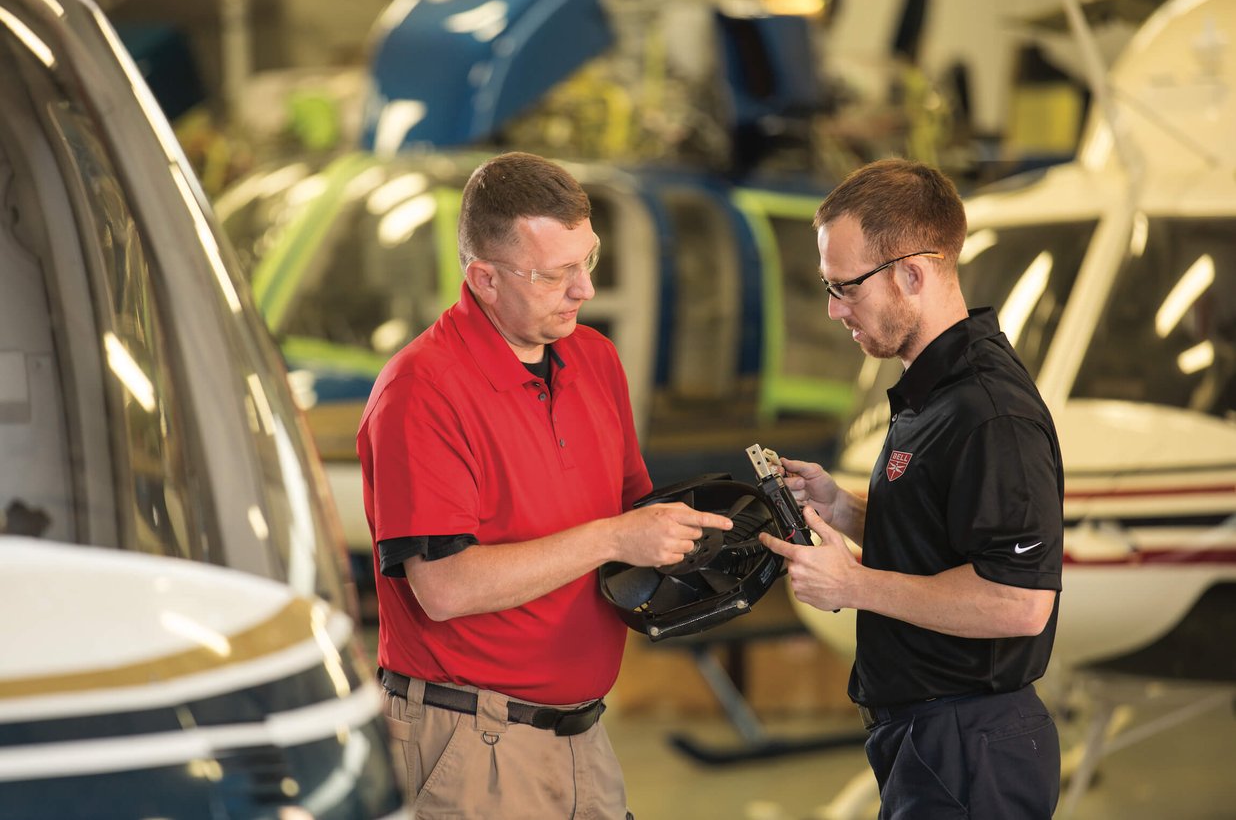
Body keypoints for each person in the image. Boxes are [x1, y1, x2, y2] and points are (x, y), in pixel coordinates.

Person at [357, 151, 732, 819]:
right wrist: (613, 537)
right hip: (471, 744)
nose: (584, 288)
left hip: (584, 736)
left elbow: (631, 520)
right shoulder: (422, 390)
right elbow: (444, 588)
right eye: (556, 273)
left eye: (589, 260)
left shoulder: (596, 359)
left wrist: (720, 540)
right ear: (484, 278)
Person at [759, 157, 1064, 819]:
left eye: (846, 287)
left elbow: (1018, 603)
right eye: (828, 287)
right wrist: (843, 508)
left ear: (912, 274)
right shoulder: (933, 393)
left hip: (969, 744)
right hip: (932, 735)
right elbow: (944, 534)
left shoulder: (989, 413)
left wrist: (853, 585)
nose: (834, 309)